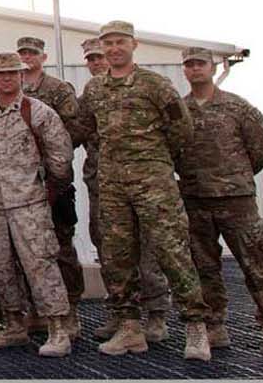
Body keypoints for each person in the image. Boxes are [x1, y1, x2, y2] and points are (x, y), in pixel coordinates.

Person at [78, 20, 212, 362]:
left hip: (154, 183)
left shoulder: (155, 85)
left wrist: (154, 160)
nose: (114, 49)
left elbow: (181, 129)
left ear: (133, 45)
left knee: (172, 252)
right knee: (117, 258)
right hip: (112, 186)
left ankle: (196, 327)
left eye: (120, 42)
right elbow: (86, 127)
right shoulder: (94, 90)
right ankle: (129, 328)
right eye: (108, 43)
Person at [177, 47, 263, 357]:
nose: (195, 69)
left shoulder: (238, 107)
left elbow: (261, 147)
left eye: (201, 64)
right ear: (184, 70)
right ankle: (214, 325)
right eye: (189, 64)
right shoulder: (180, 110)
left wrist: (235, 176)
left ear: (212, 68)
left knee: (255, 264)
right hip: (196, 199)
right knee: (203, 268)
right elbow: (172, 150)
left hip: (237, 201)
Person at [0, 52, 75, 357]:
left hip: (30, 204)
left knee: (40, 265)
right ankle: (14, 325)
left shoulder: (38, 112)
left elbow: (61, 157)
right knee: (0, 267)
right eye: (0, 74)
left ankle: (58, 329)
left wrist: (48, 192)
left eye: (12, 73)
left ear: (21, 75)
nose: (6, 78)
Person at [82, 36, 169, 342]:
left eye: (100, 57)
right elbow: (80, 129)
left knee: (148, 248)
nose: (97, 62)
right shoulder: (92, 94)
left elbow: (177, 130)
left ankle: (156, 314)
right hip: (103, 183)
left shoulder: (147, 85)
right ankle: (121, 315)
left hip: (144, 183)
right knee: (110, 251)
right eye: (91, 59)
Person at [17, 34, 87, 337]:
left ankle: (71, 310)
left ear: (43, 57)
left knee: (60, 244)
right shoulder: (13, 89)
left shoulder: (58, 89)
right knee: (28, 246)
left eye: (32, 53)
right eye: (22, 53)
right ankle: (37, 308)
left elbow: (75, 128)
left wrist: (52, 154)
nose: (27, 58)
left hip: (53, 180)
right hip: (22, 181)